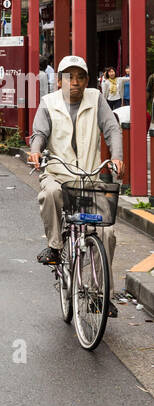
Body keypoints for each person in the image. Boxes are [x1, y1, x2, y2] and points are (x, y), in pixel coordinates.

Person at [28, 54, 124, 316]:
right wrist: (36, 151)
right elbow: (39, 134)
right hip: (58, 173)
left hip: (88, 178)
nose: (76, 82)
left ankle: (97, 294)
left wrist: (116, 157)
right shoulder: (48, 103)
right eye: (70, 77)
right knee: (50, 192)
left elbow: (112, 129)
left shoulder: (96, 99)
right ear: (60, 81)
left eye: (81, 77)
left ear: (87, 81)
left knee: (107, 233)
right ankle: (56, 248)